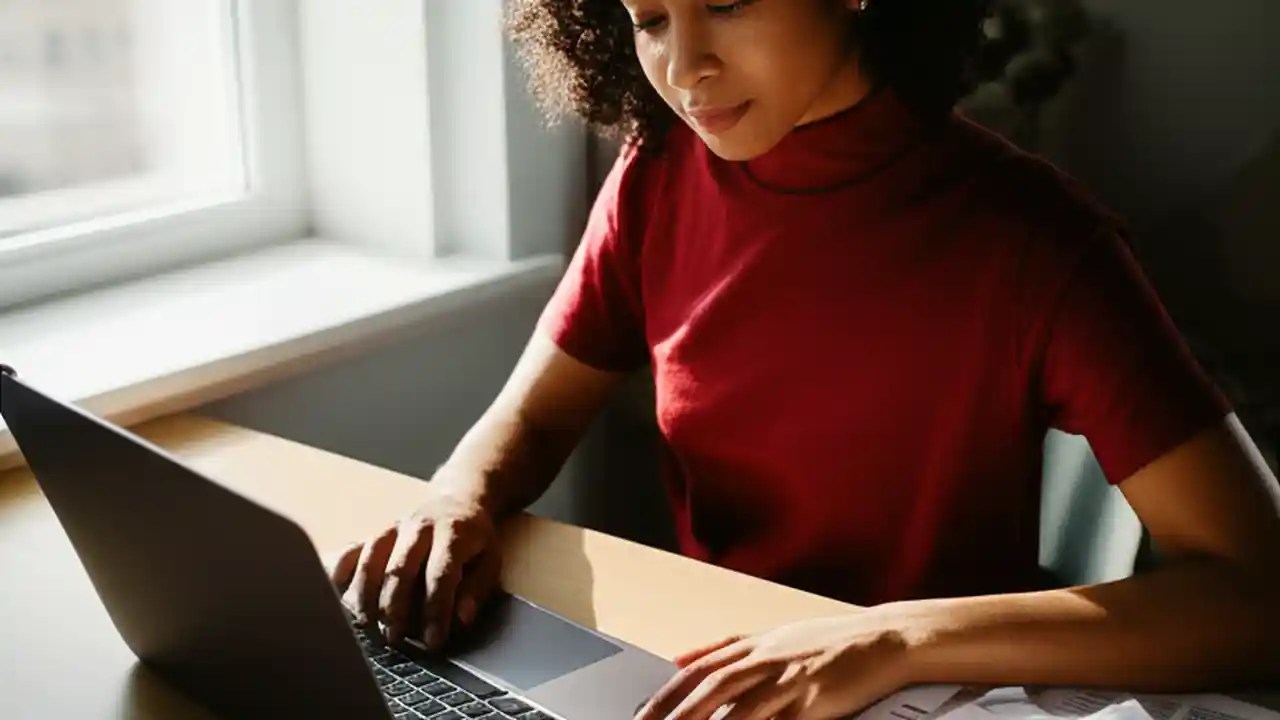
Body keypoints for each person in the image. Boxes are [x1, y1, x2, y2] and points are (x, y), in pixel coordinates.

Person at [325, 1, 1280, 718]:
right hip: (712, 681)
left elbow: (1258, 595)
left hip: (934, 695)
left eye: (729, 1)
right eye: (651, 18)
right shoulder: (657, 177)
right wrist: (457, 495)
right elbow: (537, 415)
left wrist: (894, 637)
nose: (686, 66)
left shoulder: (1035, 242)